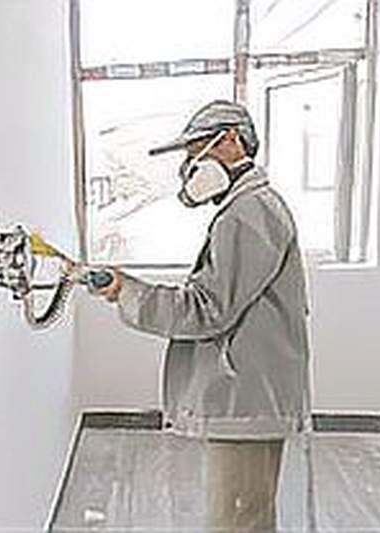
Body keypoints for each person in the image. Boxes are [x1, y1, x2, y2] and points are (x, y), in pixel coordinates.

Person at [94, 100, 311, 531]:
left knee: (237, 521)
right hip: (248, 394)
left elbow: (207, 309)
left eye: (196, 152)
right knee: (246, 516)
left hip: (246, 396)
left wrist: (127, 292)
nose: (190, 167)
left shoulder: (249, 211)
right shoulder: (247, 208)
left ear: (231, 140)